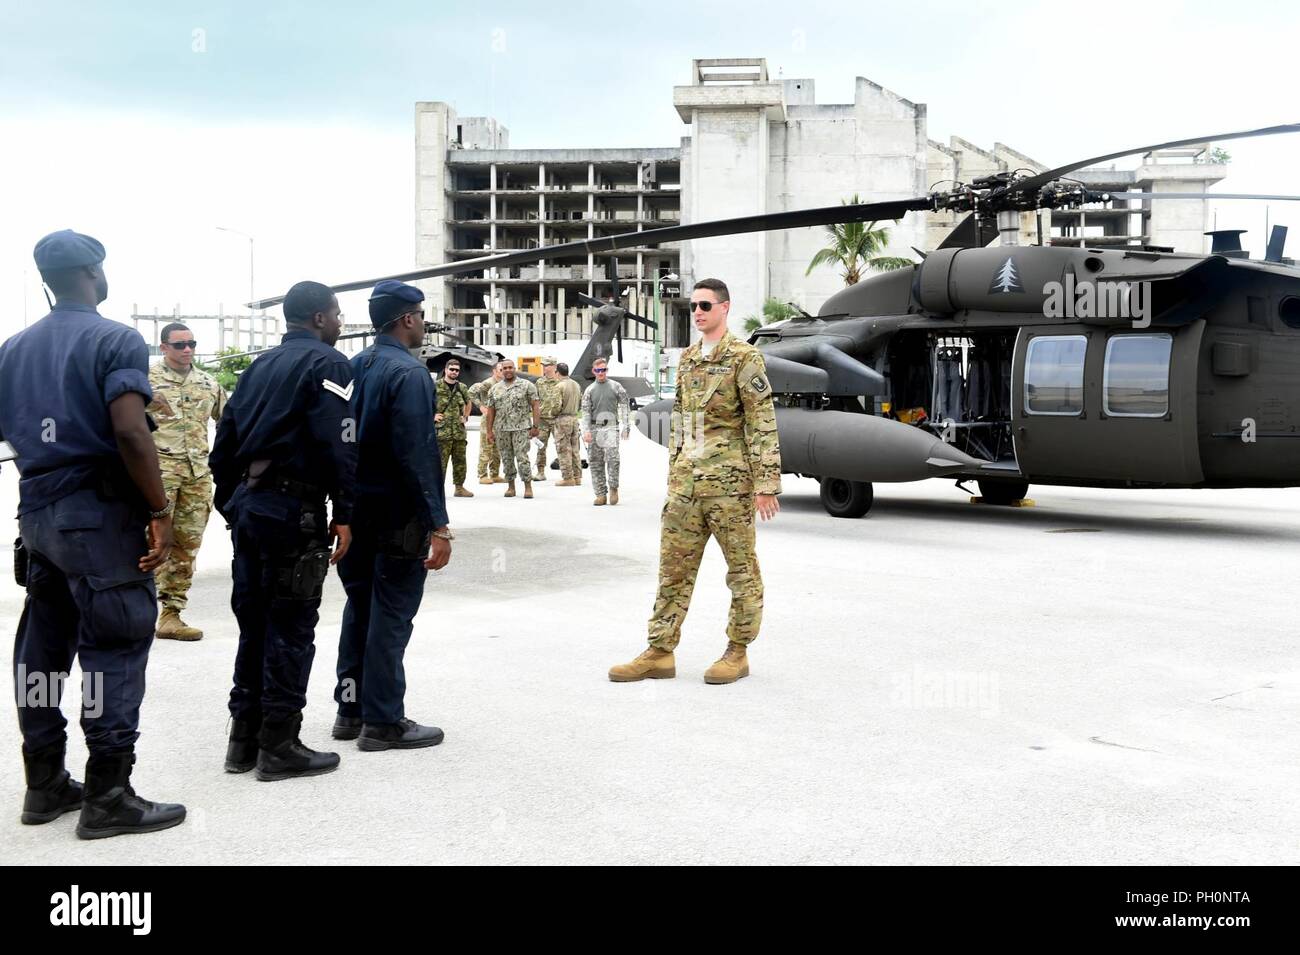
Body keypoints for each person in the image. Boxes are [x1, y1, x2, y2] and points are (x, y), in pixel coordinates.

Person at [0, 229, 185, 838]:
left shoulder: (13, 348)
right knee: (114, 646)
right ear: (95, 272)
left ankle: (44, 784)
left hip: (37, 514)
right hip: (99, 515)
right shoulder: (115, 338)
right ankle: (108, 793)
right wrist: (158, 510)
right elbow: (131, 432)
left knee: (43, 649)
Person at [209, 280, 356, 781]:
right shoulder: (328, 364)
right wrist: (346, 513)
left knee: (254, 623)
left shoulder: (256, 368)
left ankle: (242, 739)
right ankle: (280, 744)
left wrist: (234, 503)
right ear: (318, 318)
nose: (340, 323)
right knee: (292, 624)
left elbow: (222, 446)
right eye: (336, 315)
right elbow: (341, 443)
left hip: (252, 507)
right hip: (294, 509)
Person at [609, 278, 781, 685]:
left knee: (740, 571)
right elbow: (683, 421)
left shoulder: (744, 357)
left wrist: (766, 484)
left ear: (725, 307)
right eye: (693, 307)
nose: (698, 312)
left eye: (705, 305)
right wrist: (674, 475)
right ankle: (659, 652)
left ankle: (737, 651)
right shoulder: (687, 359)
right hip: (686, 486)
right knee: (673, 570)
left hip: (729, 486)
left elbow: (761, 420)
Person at [332, 281, 453, 751]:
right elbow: (417, 454)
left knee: (359, 605)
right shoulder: (409, 373)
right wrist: (438, 524)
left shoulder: (353, 366)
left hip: (356, 509)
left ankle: (350, 709)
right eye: (420, 316)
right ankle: (382, 720)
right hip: (398, 514)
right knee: (392, 613)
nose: (423, 324)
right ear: (407, 319)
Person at [147, 322, 228, 641]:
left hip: (196, 480)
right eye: (180, 345)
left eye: (191, 344)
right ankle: (135, 611)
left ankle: (171, 614)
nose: (187, 350)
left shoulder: (208, 383)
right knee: (148, 544)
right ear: (164, 347)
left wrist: (222, 462)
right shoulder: (145, 383)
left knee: (186, 546)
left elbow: (230, 422)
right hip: (156, 479)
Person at [483, 359, 540, 499]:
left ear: (515, 368)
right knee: (507, 458)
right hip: (502, 430)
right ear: (501, 370)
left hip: (521, 428)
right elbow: (491, 411)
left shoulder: (527, 385)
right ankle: (511, 487)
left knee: (522, 457)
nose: (508, 370)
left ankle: (528, 486)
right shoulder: (495, 389)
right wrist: (489, 431)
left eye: (510, 367)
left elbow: (535, 406)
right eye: (504, 368)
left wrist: (536, 426)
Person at [581, 357, 630, 506]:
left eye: (604, 370)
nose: (601, 373)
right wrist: (586, 431)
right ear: (593, 371)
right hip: (595, 427)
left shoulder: (616, 387)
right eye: (598, 370)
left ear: (607, 370)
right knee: (595, 462)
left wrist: (626, 427)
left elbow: (624, 406)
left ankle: (613, 487)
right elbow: (586, 412)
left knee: (613, 459)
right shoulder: (589, 390)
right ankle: (600, 494)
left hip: (611, 427)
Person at [435, 358, 473, 498]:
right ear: (445, 370)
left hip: (458, 432)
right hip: (441, 432)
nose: (454, 372)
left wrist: (466, 416)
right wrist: (433, 415)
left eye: (457, 370)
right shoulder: (436, 386)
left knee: (460, 462)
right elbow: (425, 402)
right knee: (440, 464)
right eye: (451, 369)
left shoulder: (462, 387)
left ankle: (459, 488)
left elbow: (468, 402)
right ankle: (437, 490)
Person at [467, 362, 504, 485]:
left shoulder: (504, 384)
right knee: (486, 447)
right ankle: (482, 474)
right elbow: (471, 392)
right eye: (500, 369)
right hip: (488, 419)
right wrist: (480, 406)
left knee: (497, 448)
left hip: (500, 419)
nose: (503, 371)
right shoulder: (488, 383)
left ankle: (495, 474)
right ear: (494, 371)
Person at [553, 362, 583, 486]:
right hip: (574, 418)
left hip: (563, 419)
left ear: (557, 372)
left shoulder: (559, 386)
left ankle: (567, 477)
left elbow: (556, 406)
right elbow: (580, 403)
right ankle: (577, 476)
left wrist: (552, 413)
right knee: (575, 448)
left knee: (563, 448)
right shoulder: (576, 384)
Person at [533, 358, 562, 481]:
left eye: (547, 365)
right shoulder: (539, 382)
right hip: (543, 420)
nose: (545, 367)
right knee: (541, 447)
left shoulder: (560, 381)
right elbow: (535, 400)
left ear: (554, 366)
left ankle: (566, 472)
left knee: (561, 447)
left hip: (557, 419)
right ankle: (540, 472)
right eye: (543, 365)